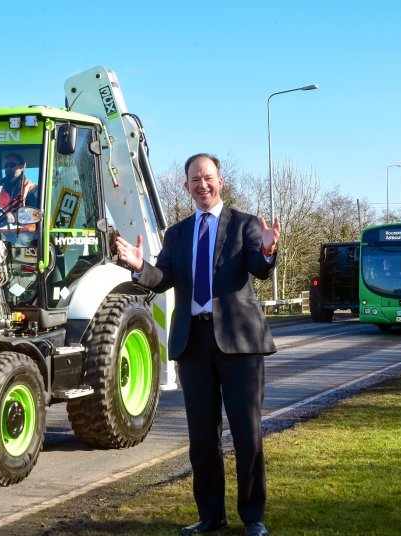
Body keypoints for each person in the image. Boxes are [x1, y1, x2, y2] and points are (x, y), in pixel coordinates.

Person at [115, 153, 280, 536]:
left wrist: (269, 251)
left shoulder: (245, 225)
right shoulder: (177, 233)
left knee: (247, 434)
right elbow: (161, 279)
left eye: (208, 178)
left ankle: (253, 518)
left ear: (220, 182)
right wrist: (140, 266)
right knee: (202, 440)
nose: (202, 185)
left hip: (241, 344)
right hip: (193, 344)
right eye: (194, 180)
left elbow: (259, 268)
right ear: (186, 186)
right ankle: (211, 516)